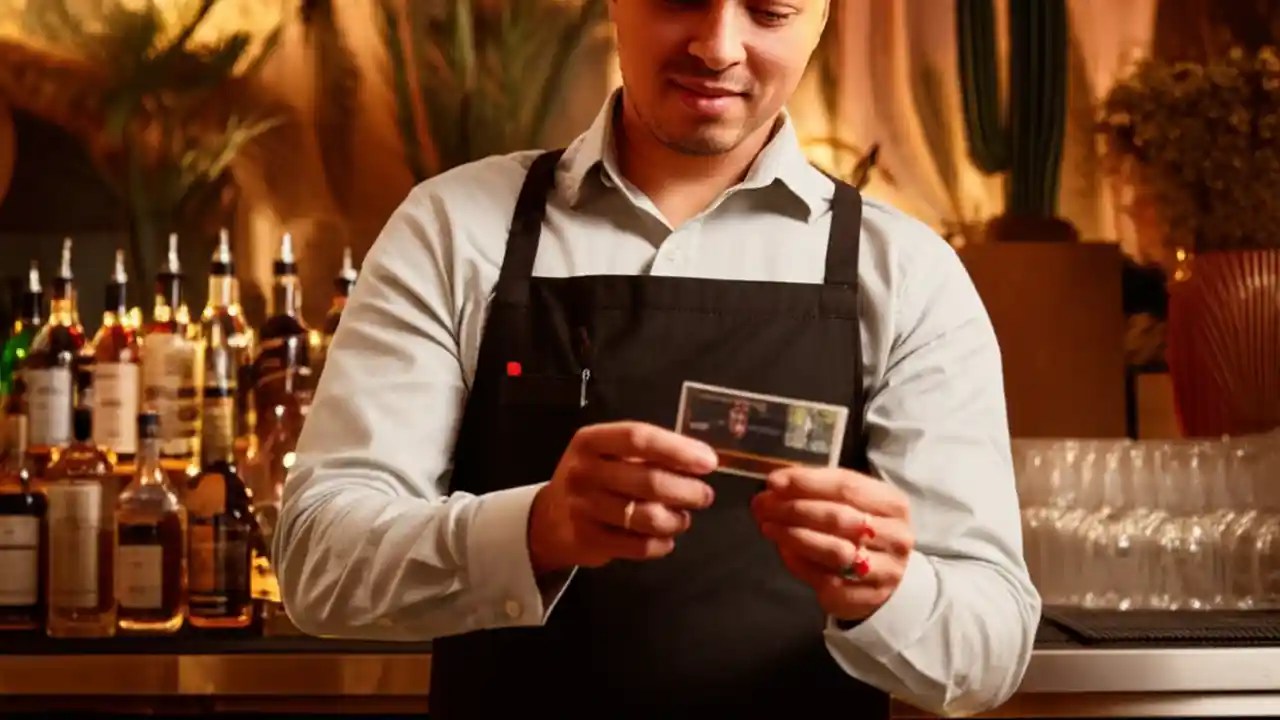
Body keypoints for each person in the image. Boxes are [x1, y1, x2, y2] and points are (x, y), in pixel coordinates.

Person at [274, 0, 1041, 717]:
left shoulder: (906, 272)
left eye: (770, 11)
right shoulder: (454, 228)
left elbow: (991, 646)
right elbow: (317, 561)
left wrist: (887, 589)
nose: (718, 46)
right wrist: (536, 527)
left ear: (821, 18)